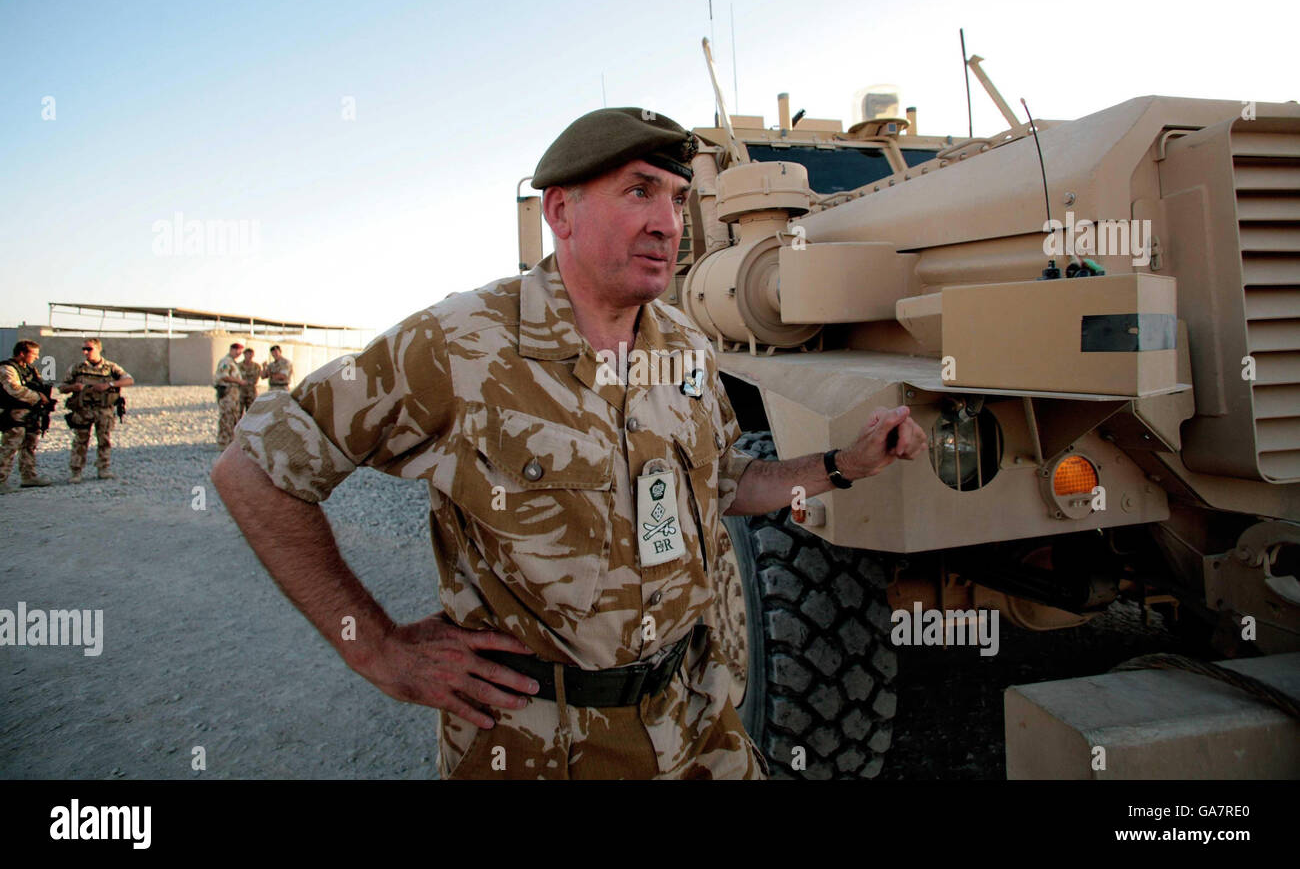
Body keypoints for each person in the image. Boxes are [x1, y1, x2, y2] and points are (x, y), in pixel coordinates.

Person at [211, 107, 927, 780]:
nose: (667, 223)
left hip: (697, 718)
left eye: (678, 200)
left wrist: (841, 466)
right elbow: (253, 471)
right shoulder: (460, 345)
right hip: (538, 744)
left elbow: (722, 484)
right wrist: (378, 649)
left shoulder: (684, 344)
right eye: (639, 192)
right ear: (561, 212)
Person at [60, 338, 133, 483]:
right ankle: (76, 471)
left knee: (104, 440)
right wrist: (74, 387)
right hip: (83, 409)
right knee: (80, 441)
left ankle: (103, 468)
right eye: (84, 349)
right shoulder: (77, 368)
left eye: (89, 349)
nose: (86, 352)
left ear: (99, 349)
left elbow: (129, 380)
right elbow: (62, 387)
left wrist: (109, 384)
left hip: (104, 409)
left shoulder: (111, 367)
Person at [0, 339, 54, 491]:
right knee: (10, 447)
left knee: (29, 445)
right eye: (34, 354)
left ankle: (28, 476)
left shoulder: (30, 370)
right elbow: (14, 389)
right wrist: (38, 396)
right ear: (22, 353)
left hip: (31, 414)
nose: (36, 357)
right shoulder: (7, 368)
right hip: (13, 413)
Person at [213, 342, 246, 448]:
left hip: (233, 393)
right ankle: (224, 442)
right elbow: (224, 376)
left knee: (233, 417)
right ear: (232, 349)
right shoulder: (226, 362)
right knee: (226, 417)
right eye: (237, 350)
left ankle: (230, 441)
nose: (239, 353)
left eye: (240, 351)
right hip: (227, 392)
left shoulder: (233, 362)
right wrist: (239, 381)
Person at [238, 347, 261, 418]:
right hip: (240, 392)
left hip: (251, 392)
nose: (249, 356)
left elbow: (255, 379)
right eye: (248, 354)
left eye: (251, 354)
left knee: (251, 414)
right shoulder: (238, 366)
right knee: (238, 414)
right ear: (244, 355)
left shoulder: (256, 366)